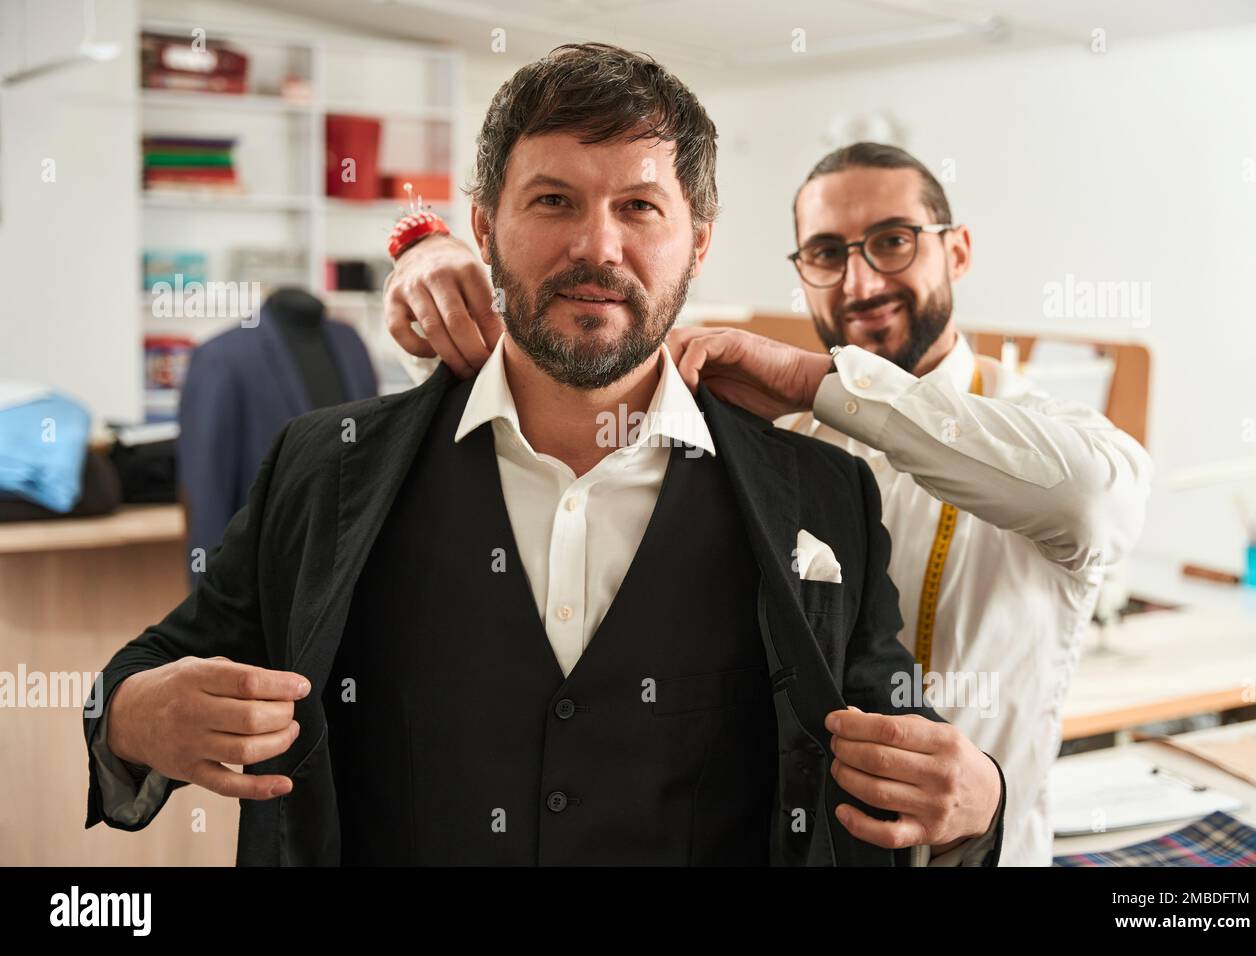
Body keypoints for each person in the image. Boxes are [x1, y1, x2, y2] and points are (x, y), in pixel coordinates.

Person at [85, 44, 1005, 866]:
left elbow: (900, 760)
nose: (595, 246)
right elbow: (149, 672)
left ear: (699, 243)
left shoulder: (821, 492)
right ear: (483, 227)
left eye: (639, 207)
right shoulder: (326, 468)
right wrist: (131, 718)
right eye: (553, 201)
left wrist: (977, 803)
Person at [382, 139, 1152, 865]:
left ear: (957, 250)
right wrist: (429, 246)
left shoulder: (1031, 428)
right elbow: (611, 294)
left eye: (893, 240)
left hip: (979, 847)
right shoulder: (781, 444)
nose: (860, 283)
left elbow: (1095, 503)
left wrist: (824, 382)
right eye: (826, 254)